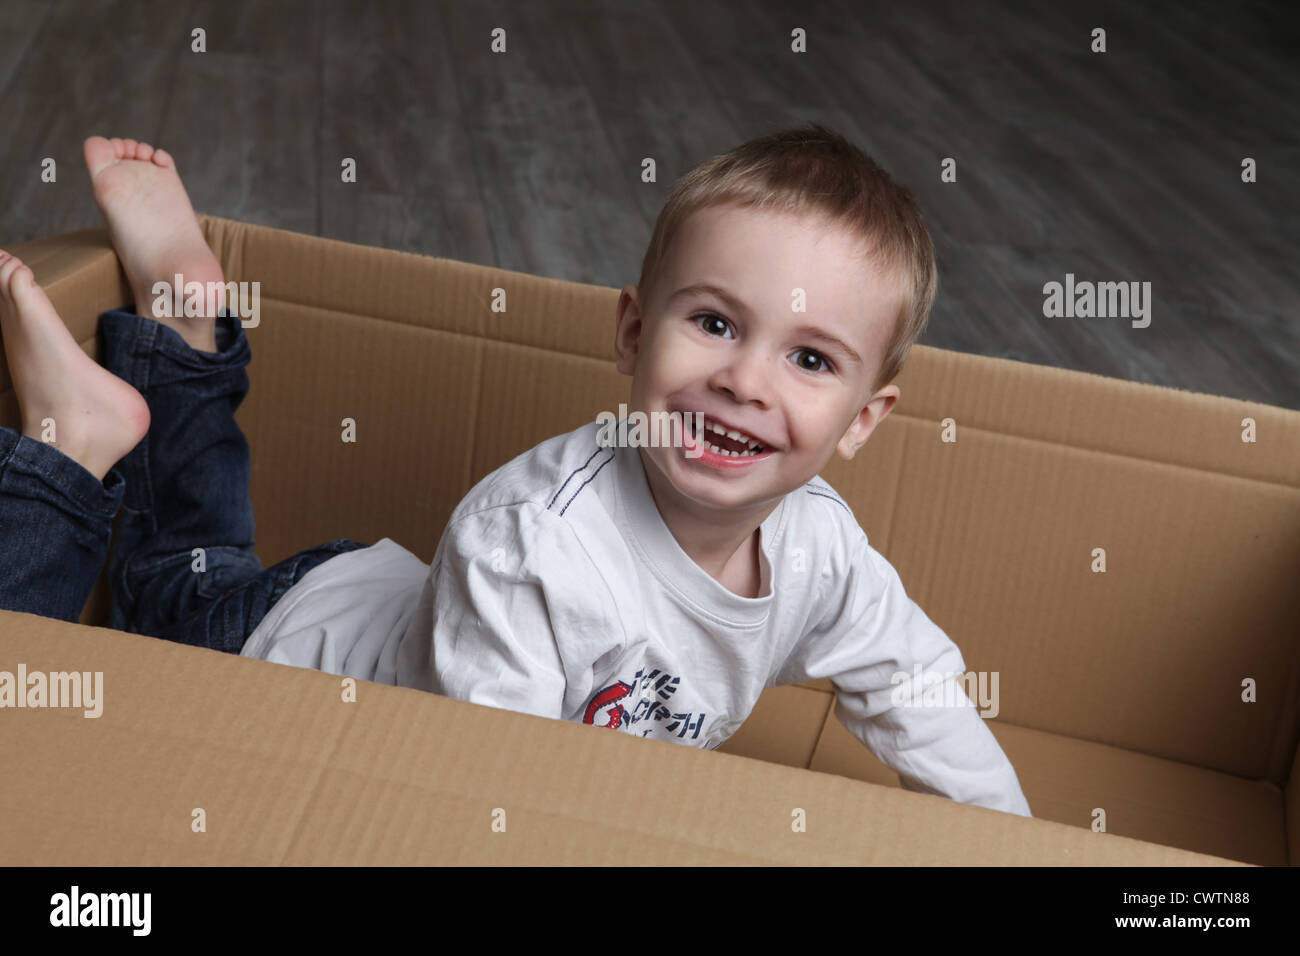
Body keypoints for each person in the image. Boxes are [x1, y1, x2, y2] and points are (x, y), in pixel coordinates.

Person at [0, 125, 1031, 817]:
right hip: (277, 650)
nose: (745, 380)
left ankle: (184, 323)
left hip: (379, 598)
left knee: (199, 544)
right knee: (154, 595)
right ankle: (71, 437)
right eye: (714, 321)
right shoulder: (538, 539)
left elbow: (915, 686)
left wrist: (1020, 842)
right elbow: (491, 797)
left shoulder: (820, 548)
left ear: (863, 417)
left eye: (810, 359)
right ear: (633, 332)